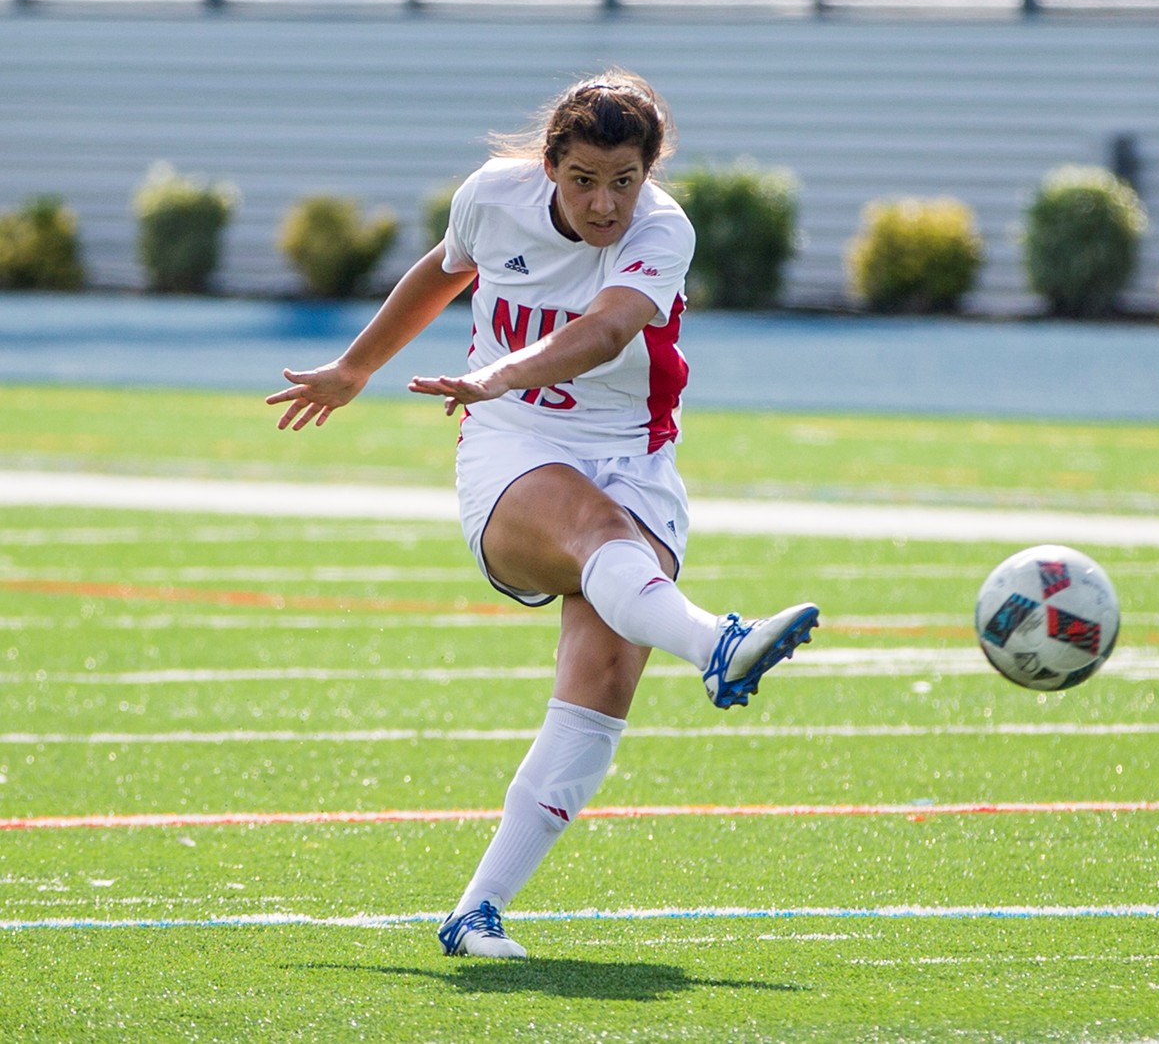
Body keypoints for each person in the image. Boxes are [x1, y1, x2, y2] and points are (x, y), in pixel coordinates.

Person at [266, 68, 820, 959]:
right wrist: (356, 367)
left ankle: (476, 909)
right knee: (596, 533)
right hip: (509, 443)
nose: (605, 203)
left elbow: (604, 333)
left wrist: (498, 366)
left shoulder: (663, 228)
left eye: (625, 181)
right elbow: (444, 272)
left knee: (601, 681)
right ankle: (717, 644)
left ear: (650, 172)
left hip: (634, 456)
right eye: (584, 179)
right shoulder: (494, 195)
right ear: (550, 162)